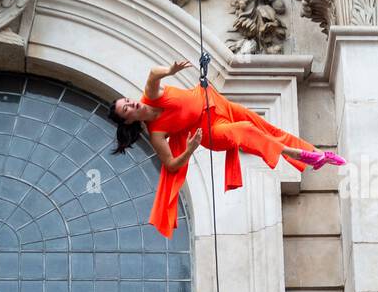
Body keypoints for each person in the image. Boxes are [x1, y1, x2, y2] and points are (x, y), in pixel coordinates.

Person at [106, 59, 345, 238]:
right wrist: (189, 150)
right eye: (126, 109)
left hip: (216, 103)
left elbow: (152, 74)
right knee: (246, 131)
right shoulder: (156, 133)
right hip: (210, 129)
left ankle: (314, 154)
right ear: (128, 120)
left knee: (263, 127)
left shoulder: (150, 95)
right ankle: (304, 156)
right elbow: (170, 163)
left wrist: (170, 71)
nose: (130, 103)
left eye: (126, 101)